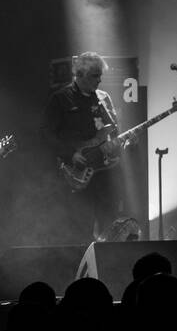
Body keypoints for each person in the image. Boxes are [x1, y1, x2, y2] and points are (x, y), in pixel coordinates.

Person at [42, 52, 127, 241]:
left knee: (111, 222)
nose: (99, 80)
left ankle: (110, 263)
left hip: (105, 170)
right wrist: (70, 154)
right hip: (77, 171)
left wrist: (123, 140)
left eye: (100, 75)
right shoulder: (61, 98)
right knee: (81, 225)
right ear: (79, 74)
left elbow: (112, 131)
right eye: (95, 75)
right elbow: (46, 133)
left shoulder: (103, 98)